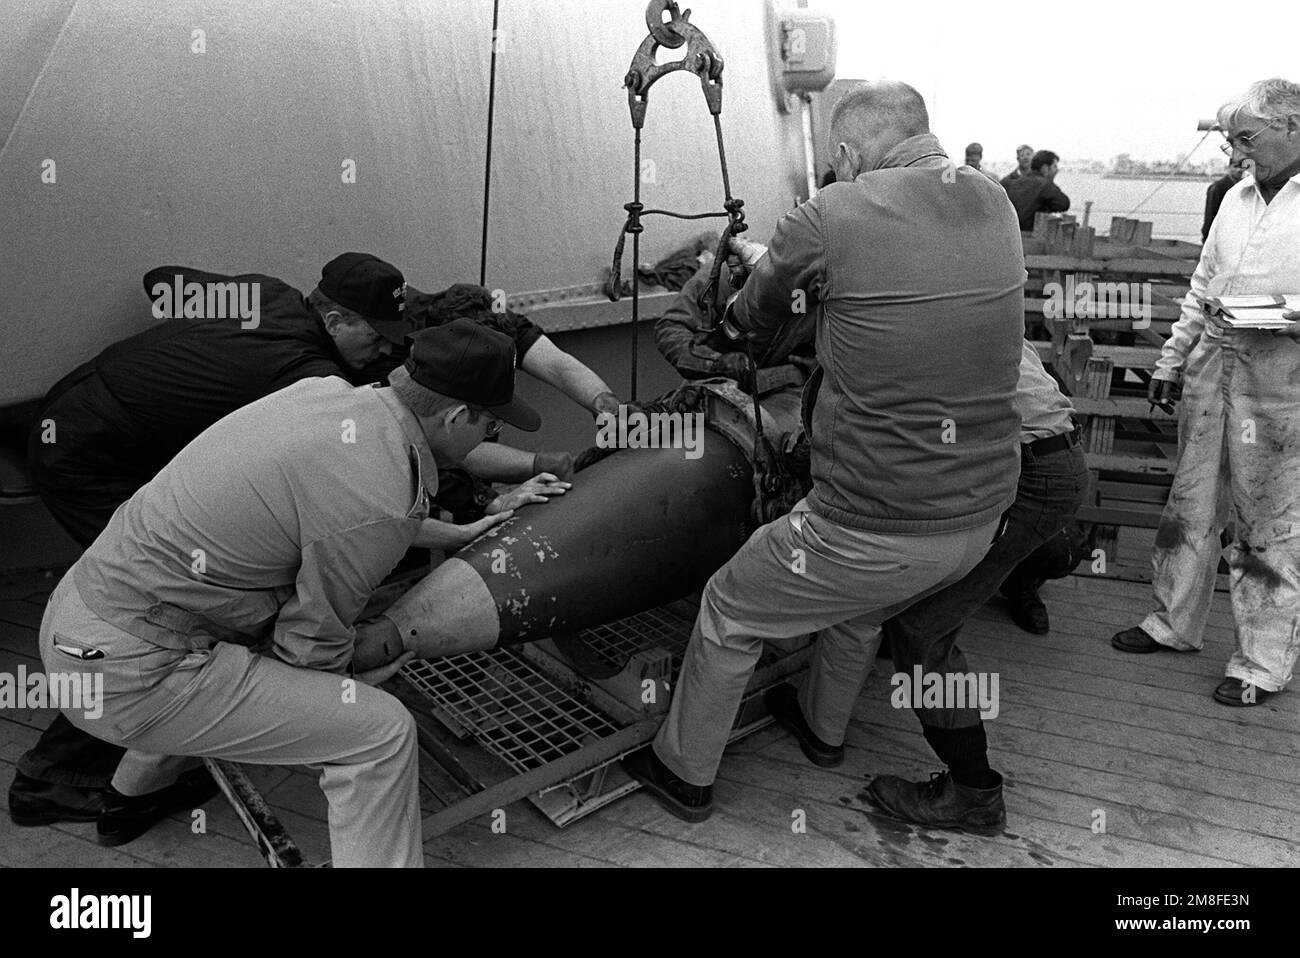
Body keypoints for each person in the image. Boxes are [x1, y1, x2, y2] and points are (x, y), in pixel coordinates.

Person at [9, 252, 579, 830]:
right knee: (369, 725)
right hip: (92, 490)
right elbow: (314, 637)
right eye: (492, 425)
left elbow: (161, 281)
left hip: (78, 530)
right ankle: (54, 779)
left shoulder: (299, 356)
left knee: (213, 606)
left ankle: (131, 796)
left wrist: (460, 526)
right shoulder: (315, 391)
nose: (383, 349)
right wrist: (360, 668)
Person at [621, 80, 1025, 822]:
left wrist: (735, 306)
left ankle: (682, 771)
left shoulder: (834, 212)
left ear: (845, 152)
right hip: (985, 515)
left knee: (730, 607)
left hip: (876, 522)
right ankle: (819, 729)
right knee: (861, 608)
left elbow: (751, 315)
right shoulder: (995, 200)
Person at [1110, 78, 1300, 708]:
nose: (1237, 149)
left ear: (1291, 127)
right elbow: (1202, 284)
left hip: (1281, 389)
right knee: (1190, 505)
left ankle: (1260, 663)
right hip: (1212, 373)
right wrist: (1170, 359)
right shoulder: (1235, 196)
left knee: (1268, 525)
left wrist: (1277, 314)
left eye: (1248, 137)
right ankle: (1171, 623)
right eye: (1234, 139)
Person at [861, 341, 1089, 833]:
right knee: (927, 595)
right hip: (1042, 461)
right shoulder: (966, 291)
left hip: (1032, 475)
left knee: (921, 632)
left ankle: (972, 794)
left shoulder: (916, 306)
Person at [1003, 150, 1070, 231]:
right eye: (1055, 166)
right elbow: (1064, 203)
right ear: (1045, 168)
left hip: (1011, 233)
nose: (1057, 170)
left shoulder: (1015, 183)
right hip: (1031, 236)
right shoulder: (1044, 184)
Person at [1201, 160, 1246, 241]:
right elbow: (1210, 215)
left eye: (1242, 167)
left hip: (1238, 236)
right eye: (1235, 166)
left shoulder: (1246, 187)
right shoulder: (1217, 188)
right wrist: (1207, 238)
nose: (1239, 170)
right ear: (1228, 168)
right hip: (1221, 236)